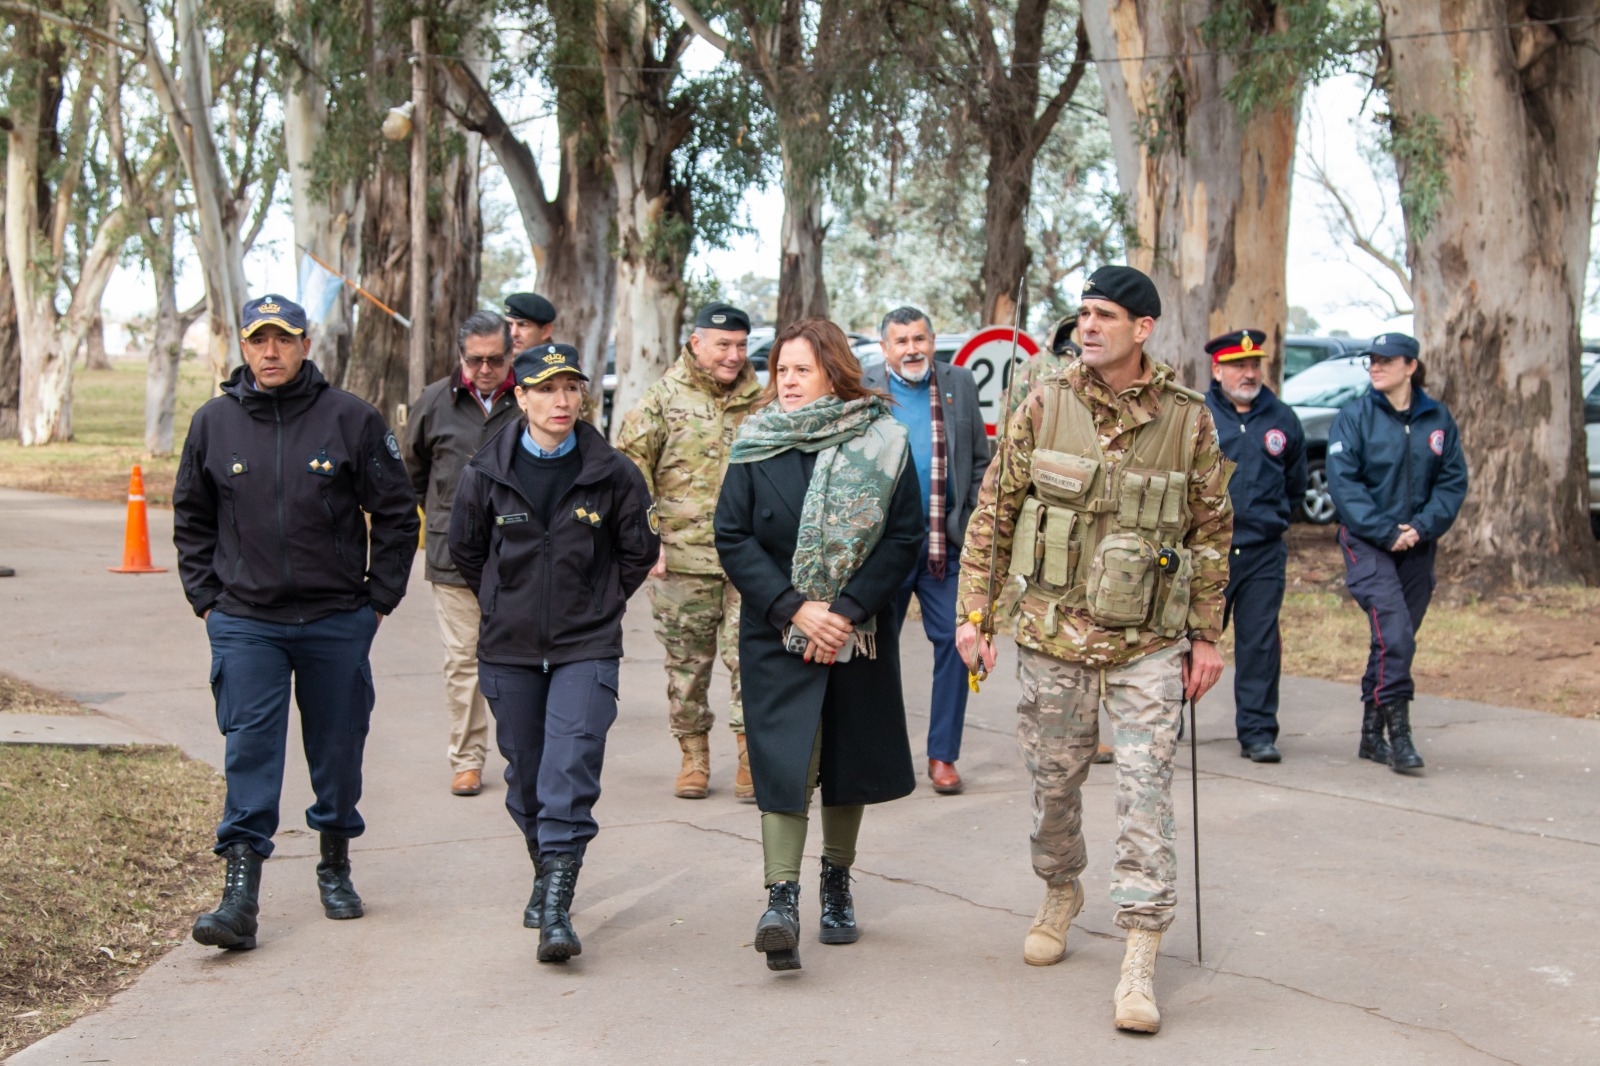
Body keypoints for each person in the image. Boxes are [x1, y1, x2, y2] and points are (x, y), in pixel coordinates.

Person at [955, 266, 1232, 1033]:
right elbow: (995, 512)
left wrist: (1207, 635)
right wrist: (973, 615)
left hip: (1148, 641)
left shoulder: (1188, 419)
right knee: (1054, 786)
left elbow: (1212, 533)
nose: (1089, 326)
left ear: (1144, 328)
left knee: (1146, 794)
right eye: (1083, 314)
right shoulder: (1044, 400)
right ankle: (1060, 887)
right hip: (1053, 634)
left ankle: (1140, 953)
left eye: (1105, 315)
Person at [173, 294, 419, 952]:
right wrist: (207, 600)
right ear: (244, 348)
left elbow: (396, 513)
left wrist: (378, 602)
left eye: (284, 339)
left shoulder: (352, 420)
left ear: (307, 345)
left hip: (336, 621)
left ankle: (335, 864)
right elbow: (191, 518)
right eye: (260, 341)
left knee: (336, 753)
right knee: (249, 751)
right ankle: (240, 896)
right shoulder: (213, 424)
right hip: (246, 622)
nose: (272, 352)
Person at [714, 319, 924, 972]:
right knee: (783, 759)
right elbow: (733, 535)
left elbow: (903, 536)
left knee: (846, 752)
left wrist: (847, 609)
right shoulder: (755, 441)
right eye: (781, 371)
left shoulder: (883, 442)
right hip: (778, 627)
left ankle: (837, 882)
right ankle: (781, 898)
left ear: (834, 371)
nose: (789, 382)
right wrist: (796, 608)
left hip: (855, 631)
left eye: (802, 370)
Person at [448, 342, 659, 963]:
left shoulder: (614, 472)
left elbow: (637, 554)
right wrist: (501, 599)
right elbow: (465, 552)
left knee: (569, 767)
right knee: (527, 776)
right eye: (546, 388)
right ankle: (546, 873)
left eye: (571, 387)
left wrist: (597, 604)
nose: (561, 400)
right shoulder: (484, 472)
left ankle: (558, 906)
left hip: (584, 646)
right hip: (509, 648)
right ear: (521, 398)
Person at [615, 302, 764, 800]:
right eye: (723, 344)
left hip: (750, 561)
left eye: (741, 345)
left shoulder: (761, 400)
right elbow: (629, 475)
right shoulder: (662, 398)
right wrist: (644, 541)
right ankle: (694, 757)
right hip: (681, 561)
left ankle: (749, 756)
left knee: (750, 660)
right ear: (696, 343)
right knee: (687, 666)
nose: (733, 355)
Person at [1325, 333, 1467, 774]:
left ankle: (1370, 734)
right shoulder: (1354, 417)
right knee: (1397, 634)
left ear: (1411, 366)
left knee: (1392, 640)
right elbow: (1344, 484)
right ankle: (1399, 735)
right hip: (1369, 543)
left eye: (1386, 360)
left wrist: (1420, 528)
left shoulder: (1437, 418)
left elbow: (1451, 482)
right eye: (1372, 360)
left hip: (1417, 545)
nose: (1376, 367)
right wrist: (1387, 532)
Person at [861, 306, 989, 793]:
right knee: (874, 653)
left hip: (943, 546)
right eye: (901, 341)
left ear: (932, 341)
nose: (912, 349)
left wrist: (973, 516)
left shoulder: (959, 383)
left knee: (958, 647)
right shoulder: (864, 385)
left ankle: (942, 756)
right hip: (883, 549)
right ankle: (879, 754)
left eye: (920, 339)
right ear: (885, 348)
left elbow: (978, 458)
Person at [403, 310, 523, 797]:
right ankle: (468, 759)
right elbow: (409, 473)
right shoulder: (434, 401)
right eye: (476, 360)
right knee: (463, 662)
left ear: (510, 354)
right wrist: (440, 518)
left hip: (520, 557)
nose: (487, 369)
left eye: (496, 359)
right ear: (461, 357)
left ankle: (522, 756)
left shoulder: (528, 398)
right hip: (453, 559)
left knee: (518, 660)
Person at [1204, 329, 1307, 763]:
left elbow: (1296, 486)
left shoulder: (1282, 418)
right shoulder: (1198, 415)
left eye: (1253, 365)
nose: (1248, 373)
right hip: (1208, 551)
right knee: (1186, 640)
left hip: (1263, 551)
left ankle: (1258, 732)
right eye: (1237, 366)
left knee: (1260, 644)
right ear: (1217, 369)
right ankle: (1164, 723)